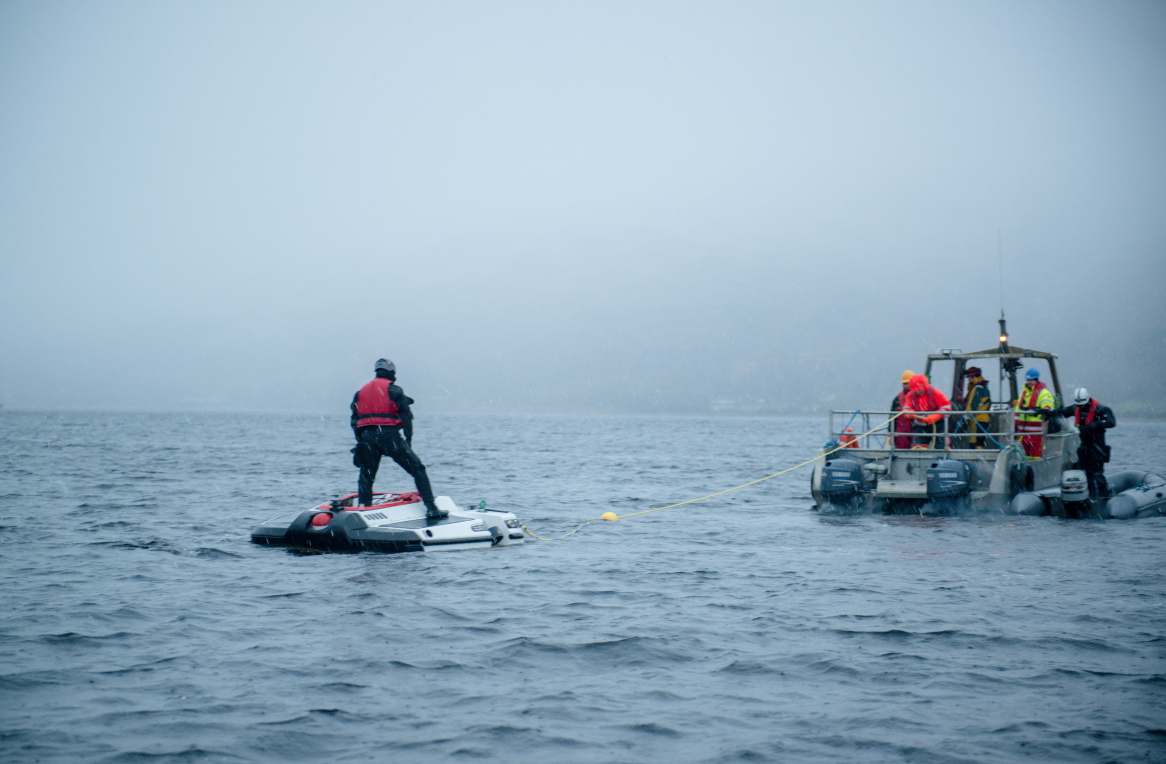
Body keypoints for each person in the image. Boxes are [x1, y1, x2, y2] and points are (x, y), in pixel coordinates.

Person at [350, 359, 447, 519]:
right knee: (418, 470)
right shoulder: (395, 390)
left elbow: (354, 421)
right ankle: (431, 509)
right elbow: (407, 418)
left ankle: (364, 511)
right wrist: (408, 441)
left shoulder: (360, 393)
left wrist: (361, 442)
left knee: (366, 477)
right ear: (392, 374)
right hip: (389, 436)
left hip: (367, 438)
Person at [1044, 388, 1116, 498]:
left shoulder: (1101, 409)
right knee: (1084, 472)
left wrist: (1096, 424)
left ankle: (1104, 496)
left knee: (1096, 473)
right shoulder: (1076, 408)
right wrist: (1047, 412)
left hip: (1098, 447)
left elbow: (1111, 422)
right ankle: (1089, 495)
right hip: (1084, 447)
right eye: (1079, 405)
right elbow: (1062, 412)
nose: (1081, 407)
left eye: (1083, 405)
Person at [902, 373, 952, 448]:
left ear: (925, 386)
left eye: (919, 389)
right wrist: (909, 413)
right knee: (917, 447)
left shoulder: (936, 393)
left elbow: (947, 408)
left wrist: (935, 416)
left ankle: (943, 458)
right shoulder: (910, 395)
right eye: (915, 390)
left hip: (938, 426)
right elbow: (906, 408)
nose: (918, 392)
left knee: (941, 447)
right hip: (920, 427)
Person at [1015, 367, 1054, 458]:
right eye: (1028, 380)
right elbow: (1017, 411)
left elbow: (1048, 407)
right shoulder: (1023, 393)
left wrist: (1041, 410)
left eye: (1031, 380)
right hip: (1023, 434)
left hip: (1037, 434)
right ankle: (1028, 471)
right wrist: (1015, 427)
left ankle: (1037, 472)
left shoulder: (1044, 393)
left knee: (1036, 457)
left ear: (1036, 380)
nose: (1029, 382)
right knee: (1026, 458)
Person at [961, 366, 992, 449]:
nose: (968, 379)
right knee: (979, 441)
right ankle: (979, 457)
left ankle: (977, 459)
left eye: (969, 377)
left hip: (978, 420)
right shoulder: (984, 387)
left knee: (975, 442)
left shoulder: (976, 389)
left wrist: (965, 418)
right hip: (983, 419)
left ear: (973, 377)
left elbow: (972, 406)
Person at [890, 370, 917, 449]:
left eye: (908, 383)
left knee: (917, 448)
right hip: (901, 433)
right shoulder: (897, 399)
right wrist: (890, 434)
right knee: (900, 450)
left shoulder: (920, 397)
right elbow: (892, 418)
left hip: (916, 430)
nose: (906, 385)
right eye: (905, 383)